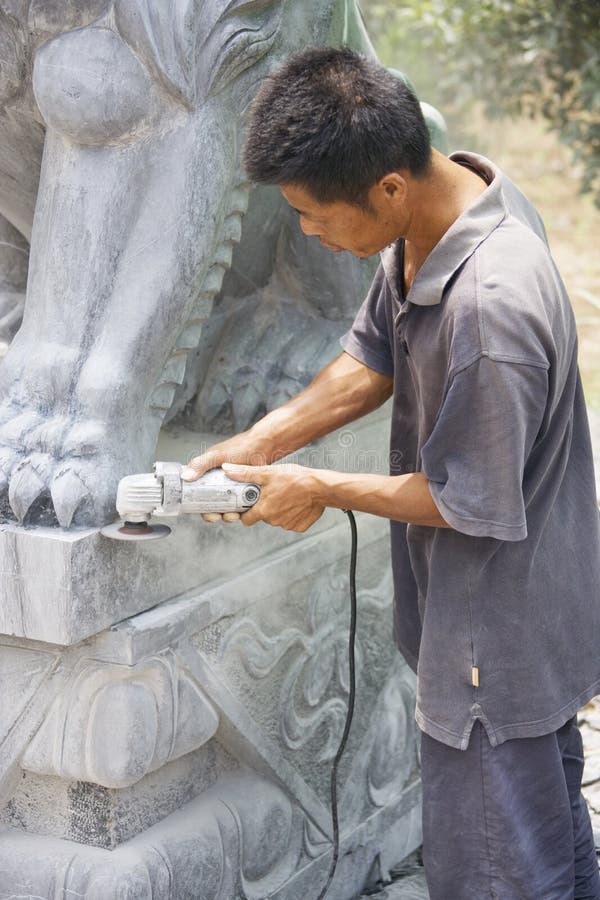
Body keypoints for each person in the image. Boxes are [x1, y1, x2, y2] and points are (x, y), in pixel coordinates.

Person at [181, 47, 600, 899]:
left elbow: (471, 500)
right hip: (516, 616)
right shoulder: (442, 215)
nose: (307, 232)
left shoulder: (491, 308)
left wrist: (320, 487)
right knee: (546, 846)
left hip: (499, 640)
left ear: (387, 187)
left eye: (312, 214)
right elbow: (374, 354)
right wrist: (267, 439)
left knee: (502, 874)